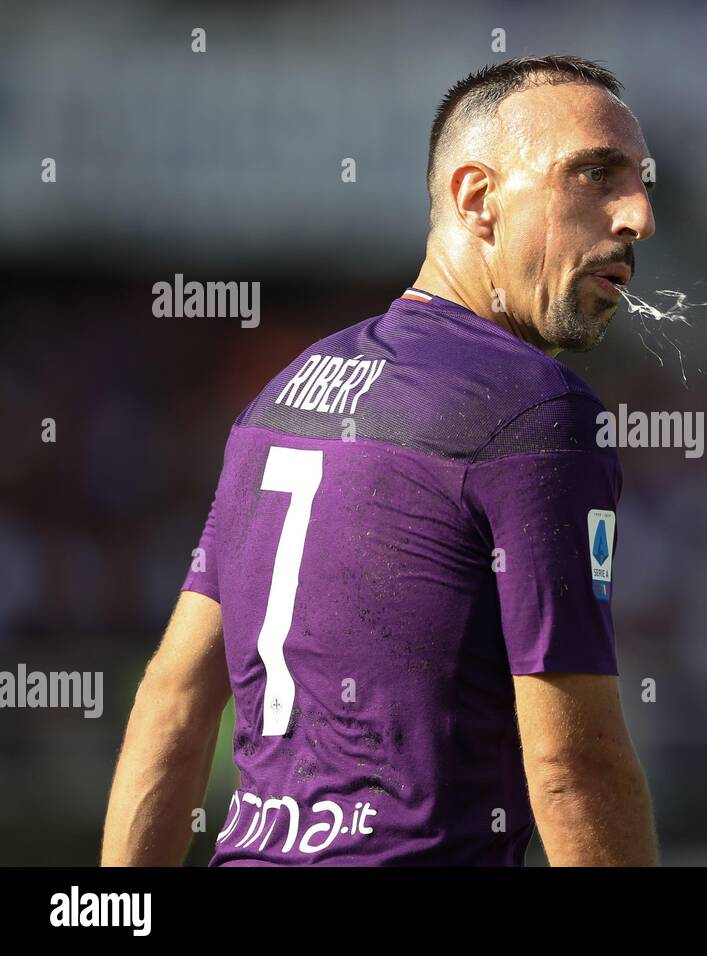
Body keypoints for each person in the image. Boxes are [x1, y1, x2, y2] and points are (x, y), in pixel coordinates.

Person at [101, 54, 659, 866]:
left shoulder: (283, 395)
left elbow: (174, 702)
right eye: (594, 175)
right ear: (478, 198)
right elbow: (576, 768)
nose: (638, 214)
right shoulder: (538, 411)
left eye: (641, 182)